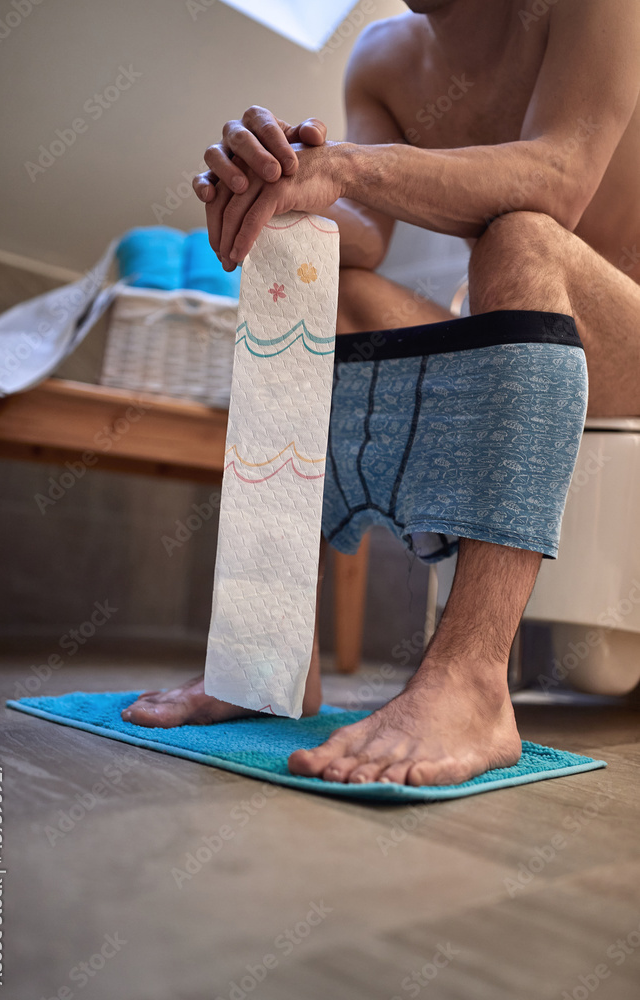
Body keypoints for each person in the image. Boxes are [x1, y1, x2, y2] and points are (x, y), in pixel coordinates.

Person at [122, 0, 640, 786]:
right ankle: (266, 657)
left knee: (522, 235)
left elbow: (556, 179)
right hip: (524, 332)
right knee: (321, 276)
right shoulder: (382, 59)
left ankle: (472, 680)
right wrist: (277, 187)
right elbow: (360, 231)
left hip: (622, 337)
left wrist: (351, 163)